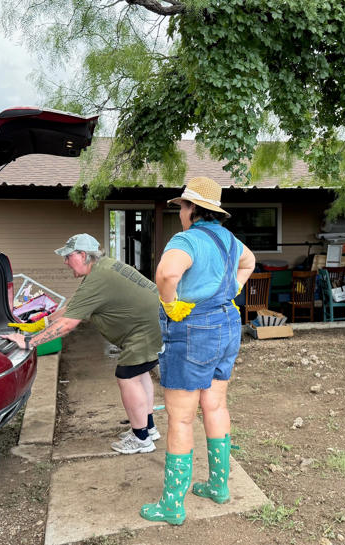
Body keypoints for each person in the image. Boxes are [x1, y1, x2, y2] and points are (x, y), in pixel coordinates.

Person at [140, 177, 255, 525]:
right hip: (227, 325)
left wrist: (170, 303)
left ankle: (173, 505)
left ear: (192, 209)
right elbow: (249, 262)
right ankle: (218, 487)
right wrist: (231, 288)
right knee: (215, 404)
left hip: (193, 330)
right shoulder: (230, 240)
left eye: (182, 207)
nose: (180, 213)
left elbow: (166, 273)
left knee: (181, 417)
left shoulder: (186, 239)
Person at [1, 233, 163, 454]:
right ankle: (148, 428)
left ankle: (141, 438)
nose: (65, 262)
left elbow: (68, 324)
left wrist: (29, 342)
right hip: (155, 326)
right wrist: (40, 323)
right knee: (140, 374)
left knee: (127, 376)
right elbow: (73, 307)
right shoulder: (104, 268)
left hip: (143, 332)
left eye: (68, 256)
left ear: (83, 255)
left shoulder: (98, 278)